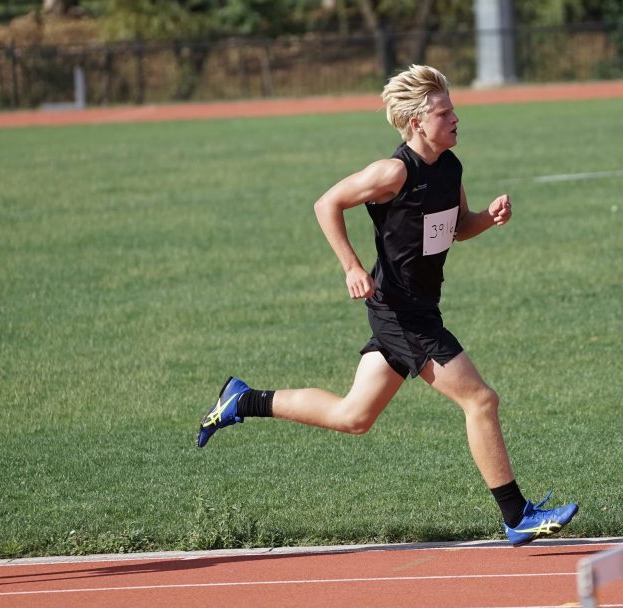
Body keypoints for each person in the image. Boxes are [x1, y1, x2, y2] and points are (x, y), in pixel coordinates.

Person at [196, 64, 578, 548]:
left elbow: (456, 227)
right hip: (400, 311)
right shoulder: (394, 171)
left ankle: (242, 399)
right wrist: (352, 266)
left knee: (354, 417)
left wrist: (488, 218)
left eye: (453, 108)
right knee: (480, 400)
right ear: (418, 122)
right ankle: (516, 515)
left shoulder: (450, 167)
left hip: (420, 308)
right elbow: (326, 203)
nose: (456, 117)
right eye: (444, 112)